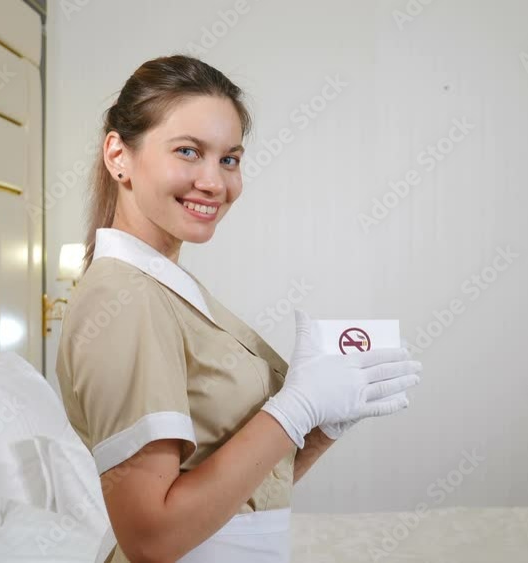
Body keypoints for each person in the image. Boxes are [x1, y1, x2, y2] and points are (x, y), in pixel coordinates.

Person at [54, 54, 423, 563]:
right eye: (188, 151)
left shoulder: (165, 288)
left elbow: (235, 491)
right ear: (118, 155)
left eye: (229, 158)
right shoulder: (124, 299)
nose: (215, 182)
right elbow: (151, 538)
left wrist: (319, 426)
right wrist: (295, 409)